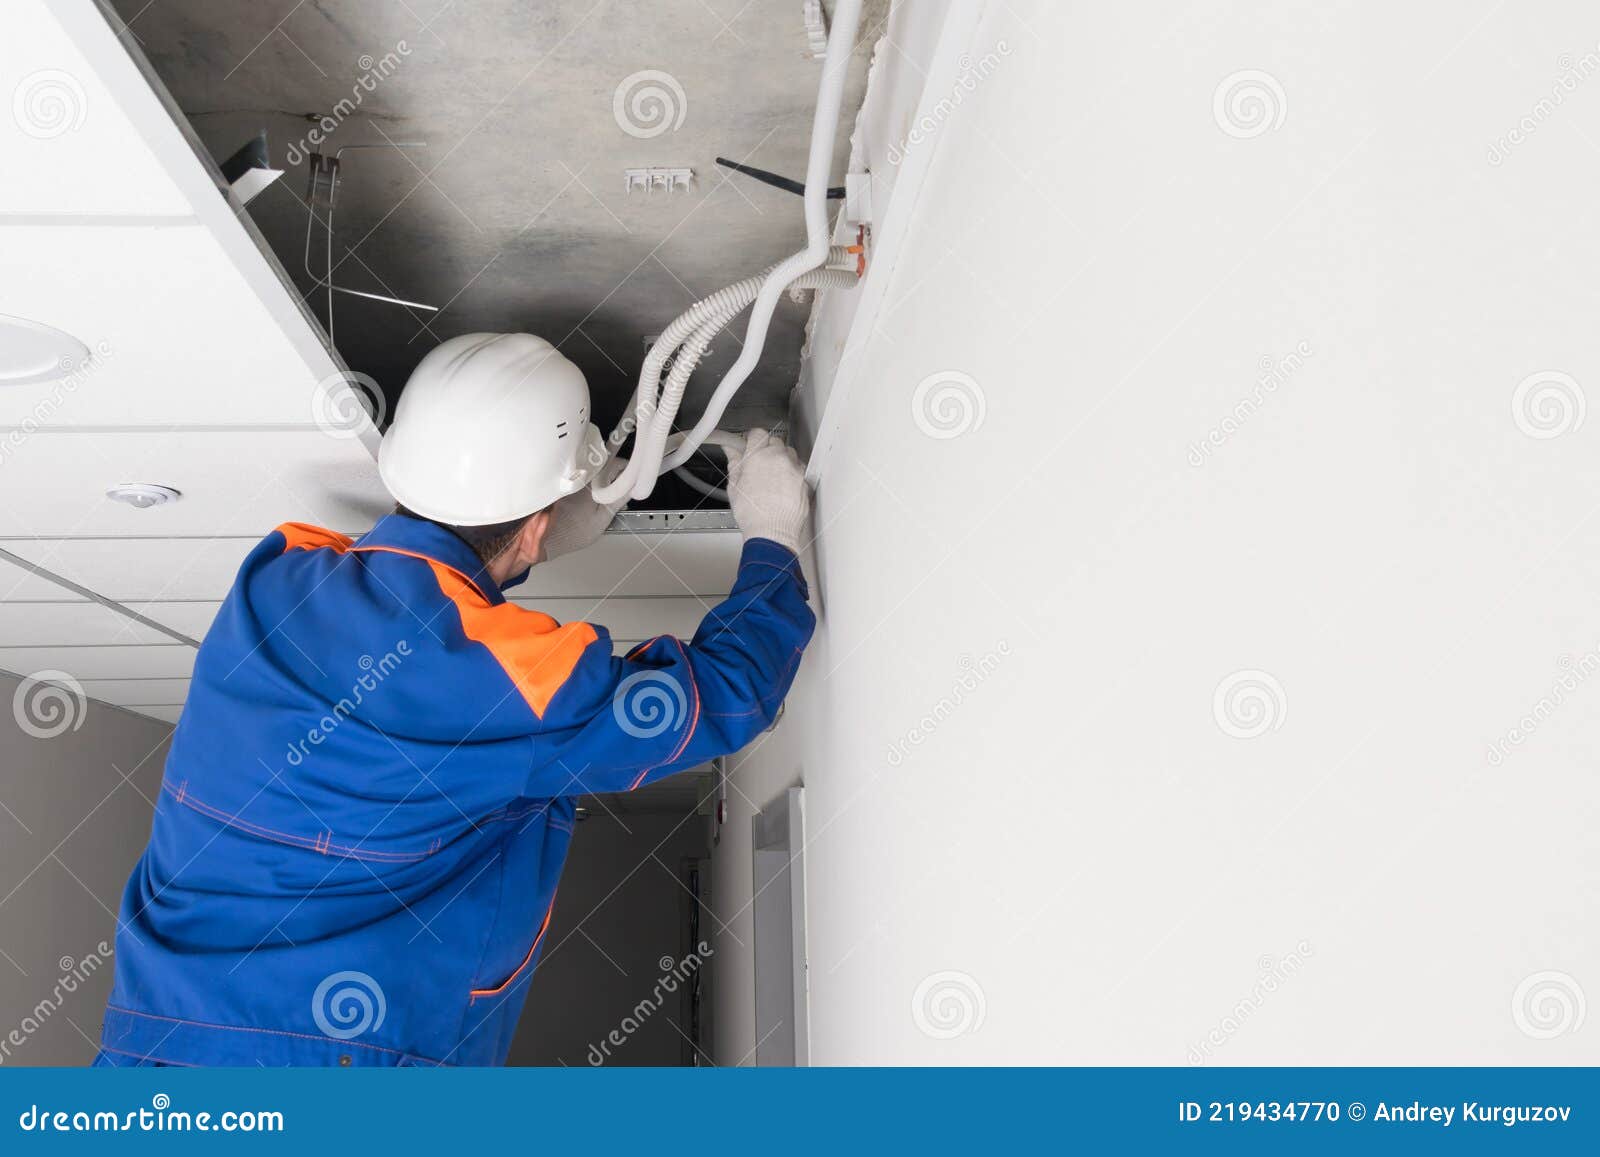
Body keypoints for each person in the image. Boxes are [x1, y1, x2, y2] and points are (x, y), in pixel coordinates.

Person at [94, 333, 815, 1067]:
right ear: (539, 522)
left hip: (159, 1044)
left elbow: (408, 596)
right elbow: (726, 692)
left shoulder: (272, 579)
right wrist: (774, 539)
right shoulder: (522, 681)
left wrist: (519, 549)